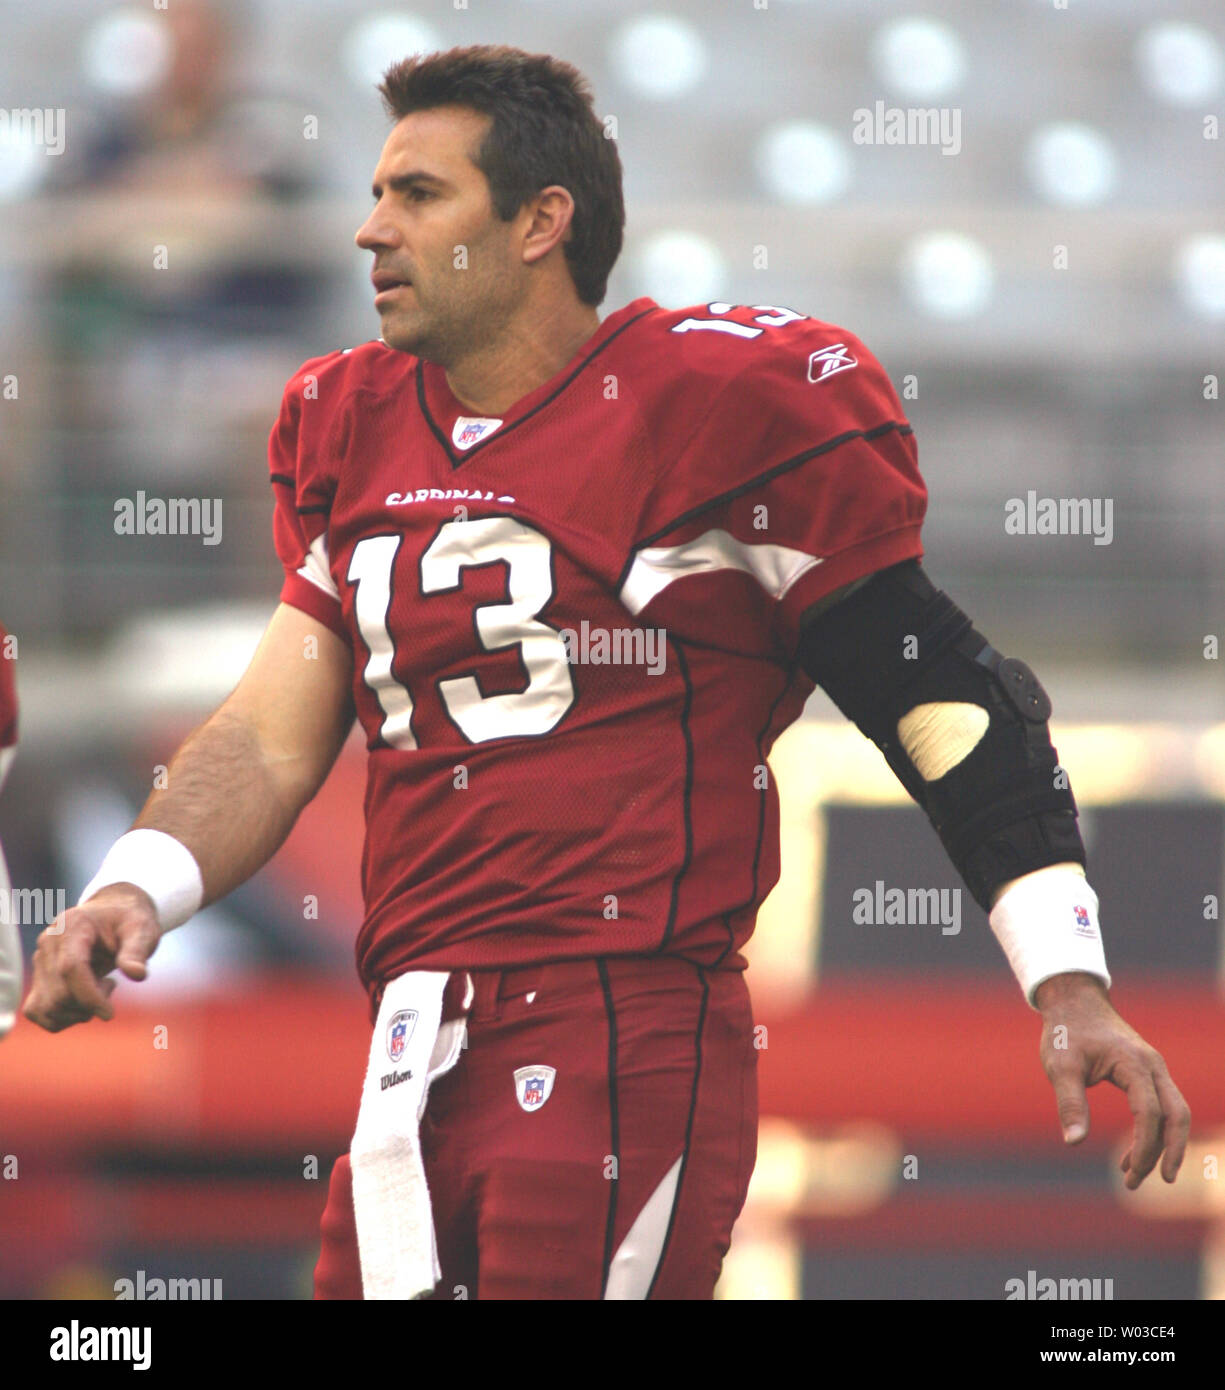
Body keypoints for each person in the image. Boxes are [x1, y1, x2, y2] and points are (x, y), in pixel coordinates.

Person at [24, 45, 1190, 1300]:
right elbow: (267, 733)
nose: (370, 231)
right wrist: (135, 885)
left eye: (419, 195)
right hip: (412, 1034)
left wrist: (1066, 980)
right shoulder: (348, 421)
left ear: (540, 223)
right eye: (376, 193)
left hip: (616, 1022)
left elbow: (942, 696)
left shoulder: (711, 405)